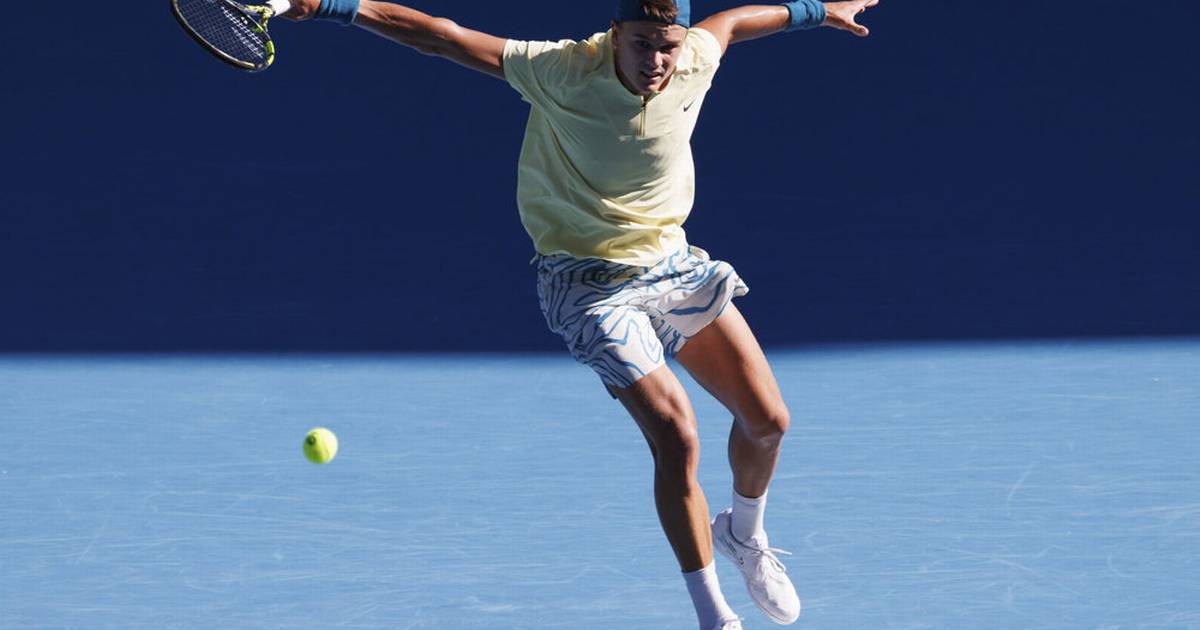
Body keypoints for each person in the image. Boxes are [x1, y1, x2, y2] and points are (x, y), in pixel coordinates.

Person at [283, 0, 879, 627]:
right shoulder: (562, 70)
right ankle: (714, 615)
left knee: (768, 422)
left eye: (667, 47)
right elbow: (442, 37)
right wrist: (329, 6)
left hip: (671, 265)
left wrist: (817, 10)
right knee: (676, 436)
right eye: (643, 44)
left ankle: (743, 535)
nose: (657, 61)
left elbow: (730, 24)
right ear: (614, 35)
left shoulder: (694, 57)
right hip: (586, 283)